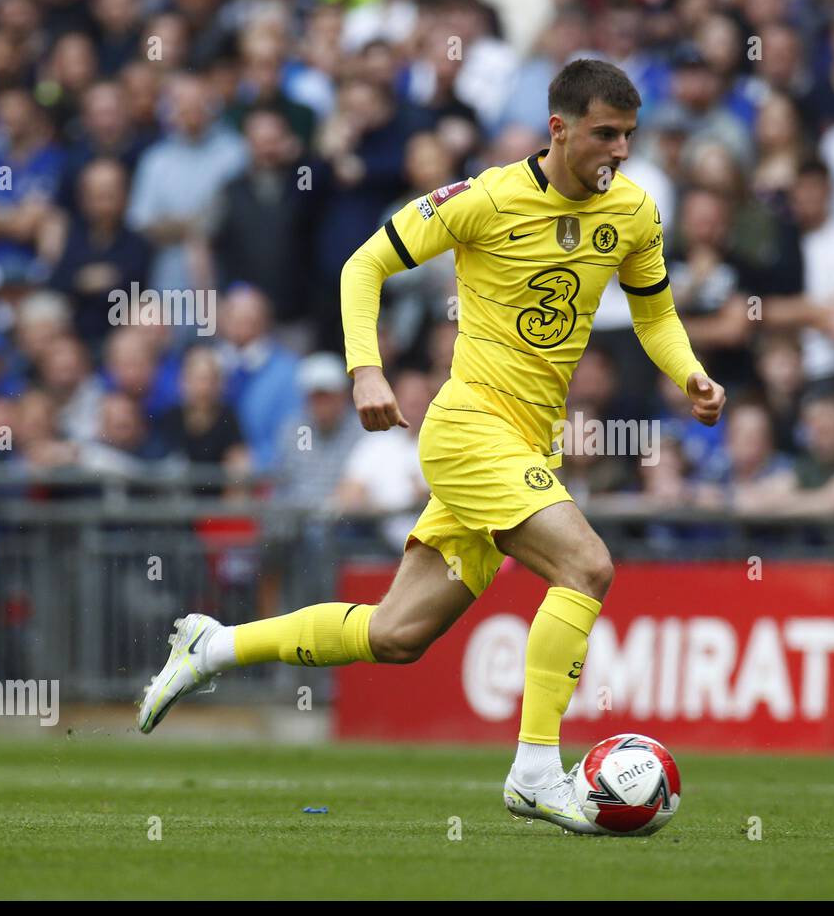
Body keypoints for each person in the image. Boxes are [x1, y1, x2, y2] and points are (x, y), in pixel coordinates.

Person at [136, 60, 727, 835]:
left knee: (397, 635)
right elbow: (365, 263)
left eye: (629, 136)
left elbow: (654, 314)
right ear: (560, 129)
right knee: (586, 566)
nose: (619, 150)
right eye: (604, 134)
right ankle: (535, 771)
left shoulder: (637, 212)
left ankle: (213, 645)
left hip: (528, 443)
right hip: (469, 428)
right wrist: (366, 371)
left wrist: (691, 373)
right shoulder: (484, 198)